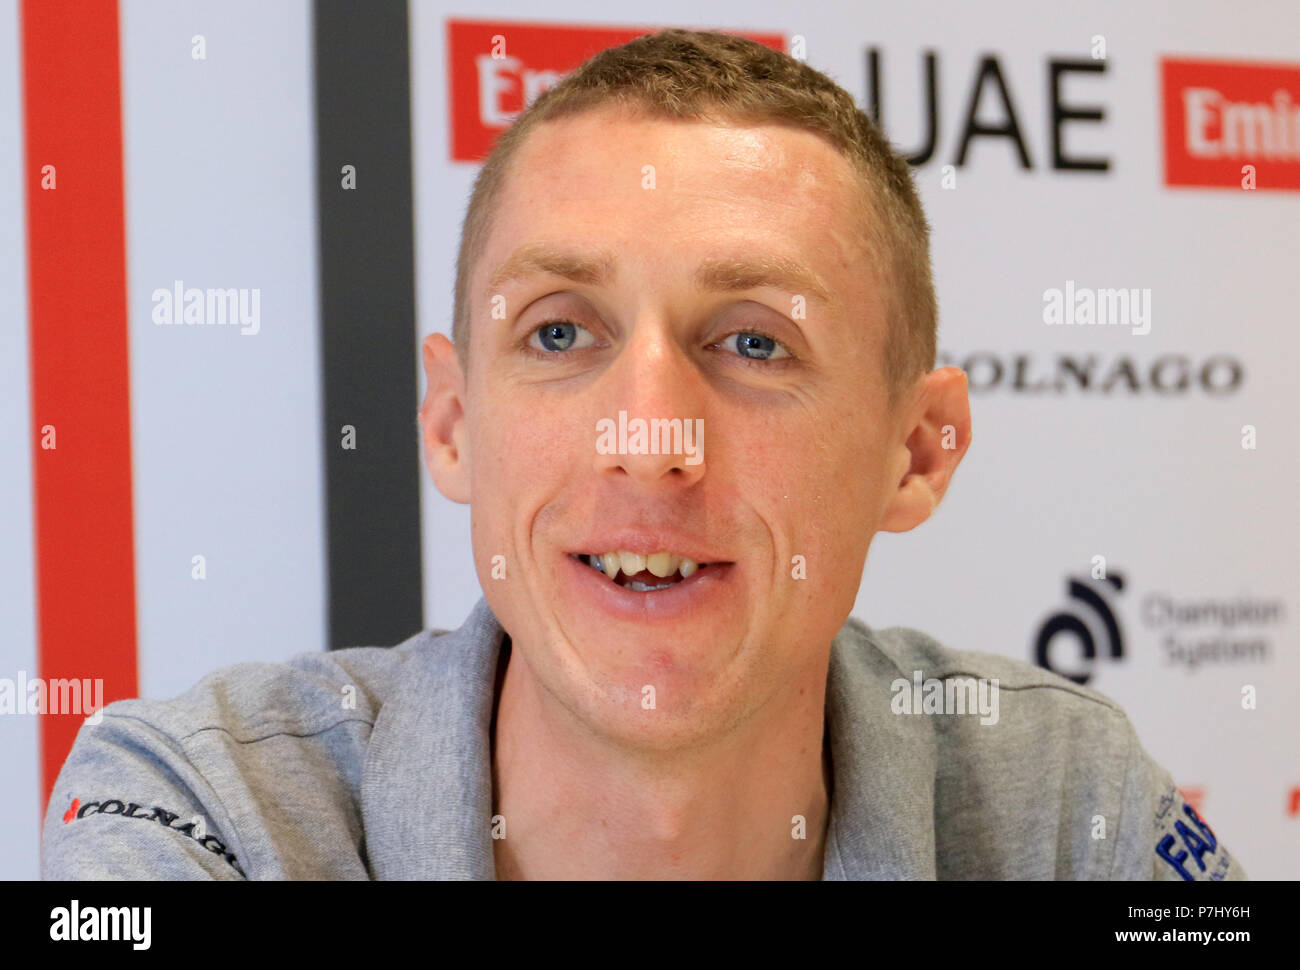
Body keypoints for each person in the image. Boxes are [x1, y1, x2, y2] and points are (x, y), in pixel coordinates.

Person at [42, 28, 1243, 881]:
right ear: (454, 422)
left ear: (917, 451)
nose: (647, 439)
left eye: (755, 342)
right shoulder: (205, 812)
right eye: (560, 331)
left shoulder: (1068, 805)